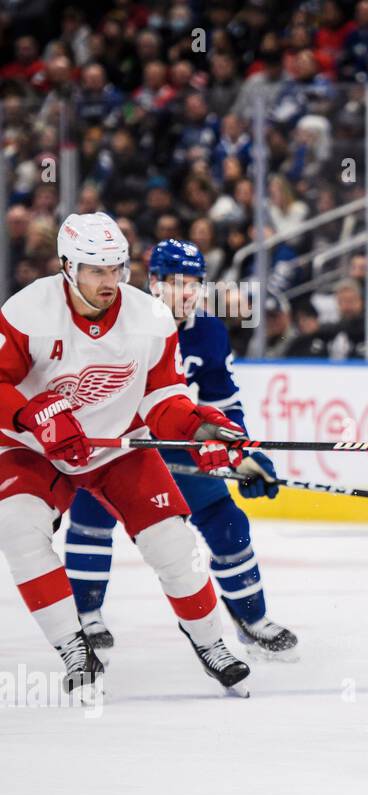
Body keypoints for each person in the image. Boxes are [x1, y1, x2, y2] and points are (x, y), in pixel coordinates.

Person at [0, 214, 252, 695]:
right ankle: (74, 646)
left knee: (173, 545)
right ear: (67, 267)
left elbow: (163, 399)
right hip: (33, 450)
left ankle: (210, 642)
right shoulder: (27, 311)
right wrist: (34, 418)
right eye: (96, 271)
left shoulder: (151, 319)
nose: (109, 282)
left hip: (117, 446)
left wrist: (200, 426)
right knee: (16, 528)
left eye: (117, 269)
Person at [63, 240, 299, 660]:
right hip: (120, 450)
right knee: (89, 517)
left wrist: (242, 452)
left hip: (178, 448)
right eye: (175, 282)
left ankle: (252, 620)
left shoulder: (207, 330)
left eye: (194, 283)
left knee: (228, 523)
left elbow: (224, 402)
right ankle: (86, 617)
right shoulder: (119, 323)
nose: (186, 292)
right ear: (153, 283)